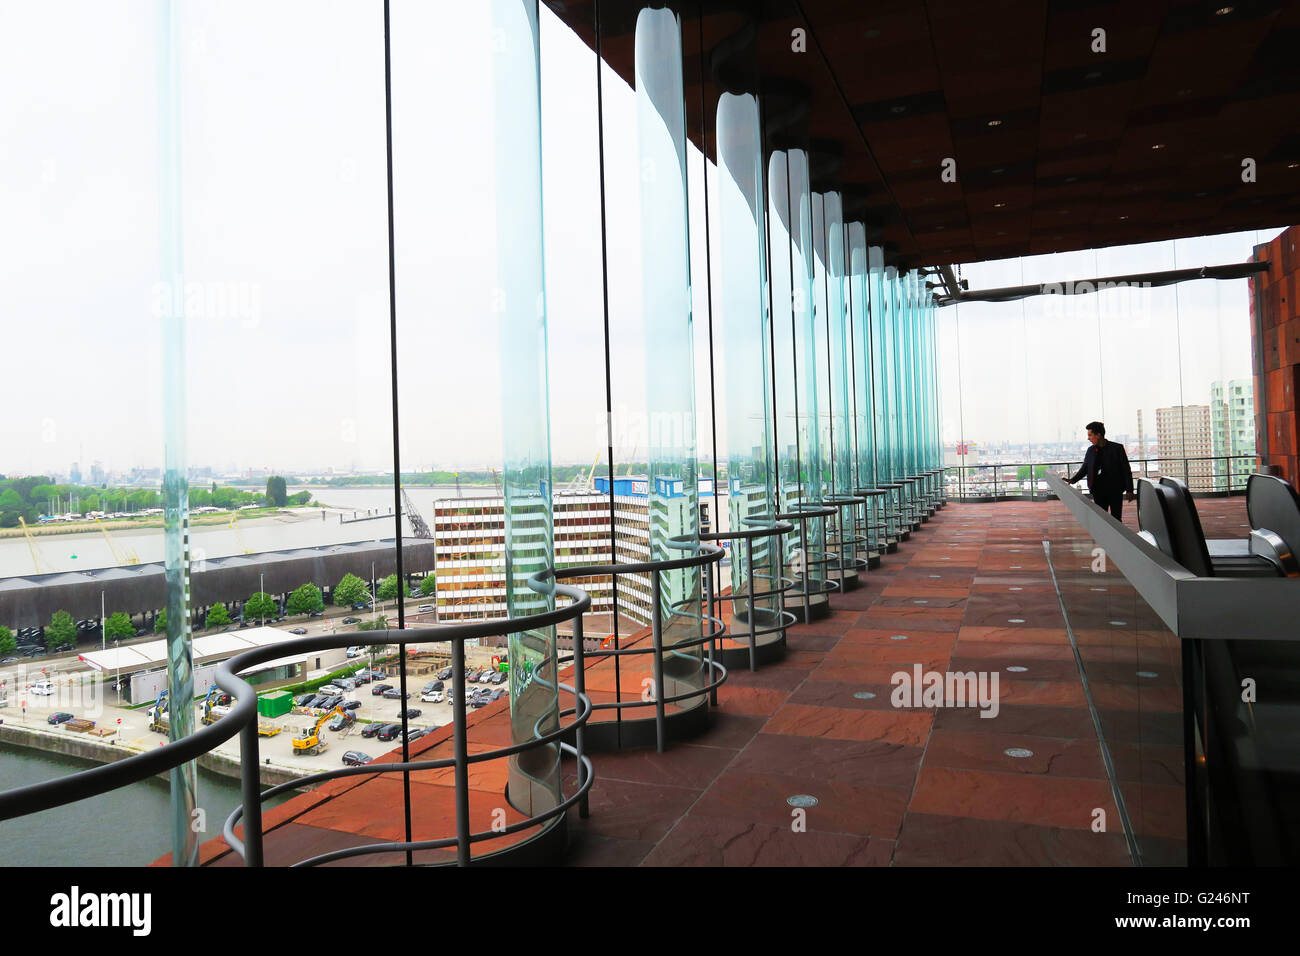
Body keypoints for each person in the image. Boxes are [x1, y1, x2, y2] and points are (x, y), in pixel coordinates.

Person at [1066, 420, 1135, 519]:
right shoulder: (1090, 450)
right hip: (1098, 491)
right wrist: (1073, 480)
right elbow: (1085, 468)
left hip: (1115, 490)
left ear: (1098, 435)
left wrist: (1129, 490)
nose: (1088, 438)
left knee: (1116, 518)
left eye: (1090, 435)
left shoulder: (1117, 448)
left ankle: (1115, 535)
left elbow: (1126, 470)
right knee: (1101, 519)